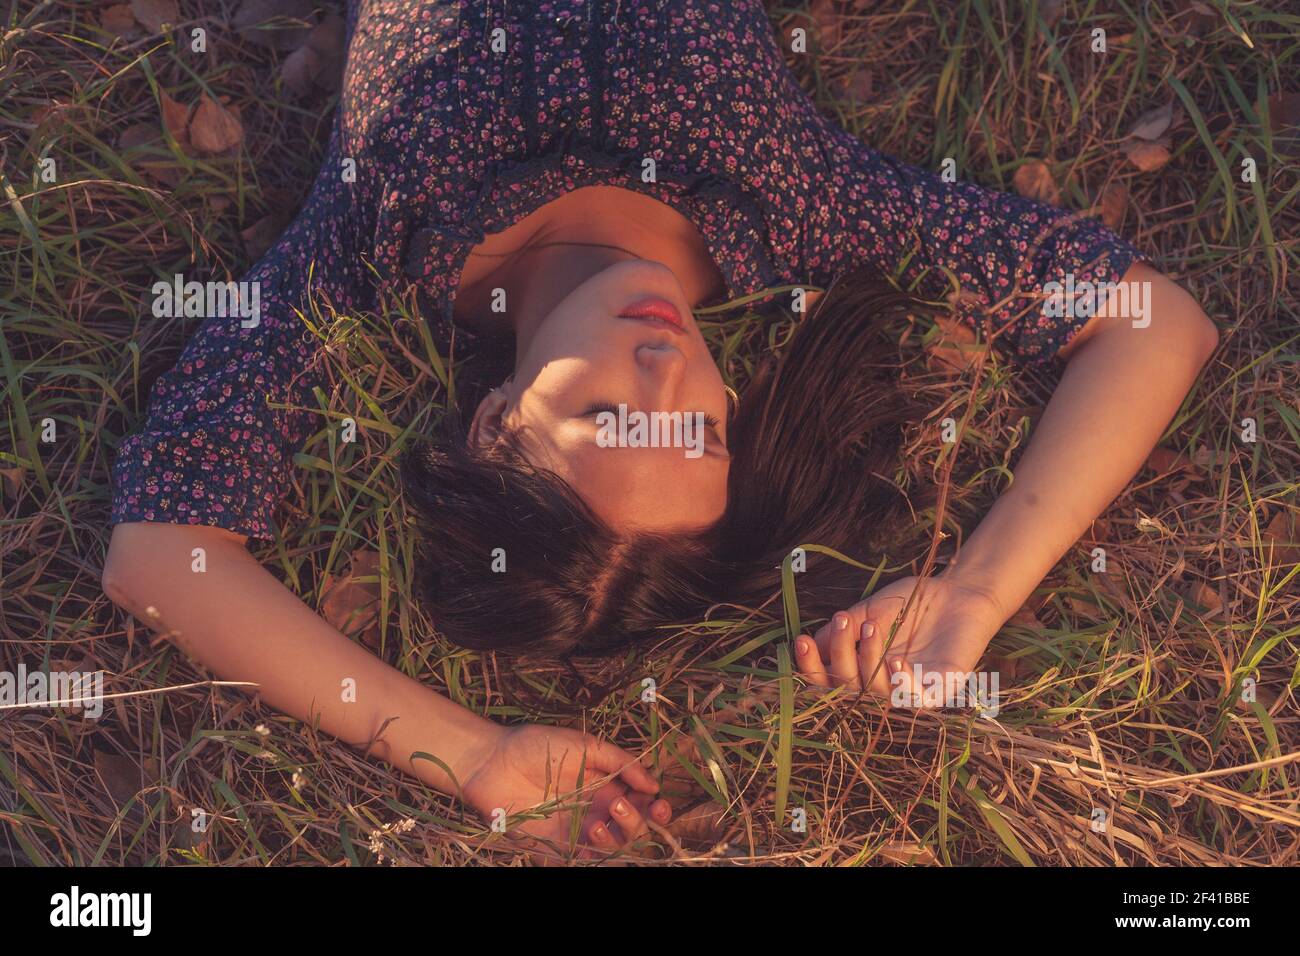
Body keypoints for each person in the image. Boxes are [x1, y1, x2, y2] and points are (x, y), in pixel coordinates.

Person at [102, 0, 1218, 855]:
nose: (667, 362)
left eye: (605, 414)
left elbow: (161, 550)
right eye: (701, 427)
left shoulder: (372, 234)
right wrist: (974, 588)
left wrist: (472, 749)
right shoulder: (793, 201)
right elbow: (1151, 322)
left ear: (495, 421)